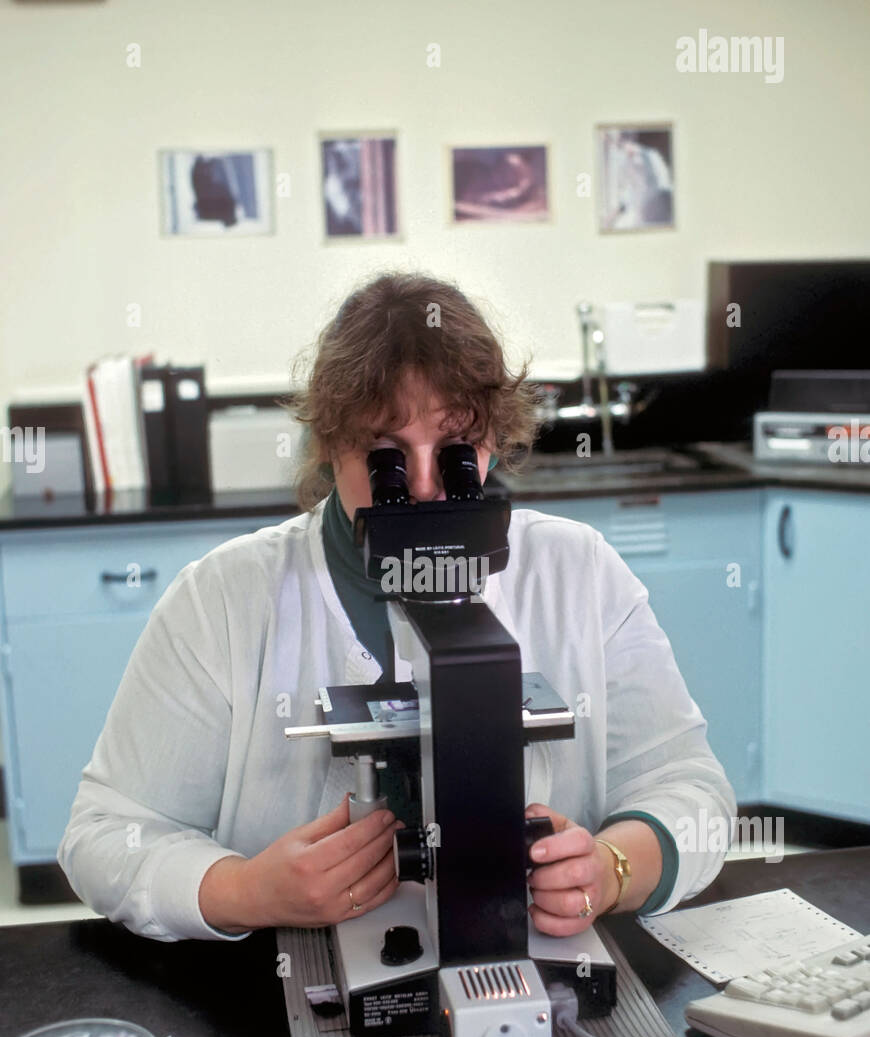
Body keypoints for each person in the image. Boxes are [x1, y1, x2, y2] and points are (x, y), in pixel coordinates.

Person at [58, 272, 736, 942]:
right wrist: (247, 890)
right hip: (284, 993)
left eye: (454, 451)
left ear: (492, 440)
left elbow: (691, 791)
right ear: (328, 445)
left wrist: (614, 868)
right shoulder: (221, 602)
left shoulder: (580, 574)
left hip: (525, 965)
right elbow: (101, 835)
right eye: (384, 454)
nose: (421, 487)